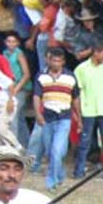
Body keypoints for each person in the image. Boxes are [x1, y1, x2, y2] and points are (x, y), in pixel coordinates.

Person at [71, 44, 103, 180]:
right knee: (84, 142)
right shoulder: (81, 69)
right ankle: (79, 171)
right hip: (88, 109)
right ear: (95, 53)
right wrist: (77, 112)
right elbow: (77, 92)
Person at [33, 47, 74, 191]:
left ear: (63, 62)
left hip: (64, 117)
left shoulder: (70, 77)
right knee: (51, 151)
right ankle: (60, 175)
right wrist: (38, 114)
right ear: (49, 61)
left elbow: (75, 98)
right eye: (53, 60)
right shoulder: (41, 76)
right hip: (47, 117)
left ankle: (51, 182)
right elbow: (37, 96)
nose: (56, 63)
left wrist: (78, 117)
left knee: (57, 150)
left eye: (59, 61)